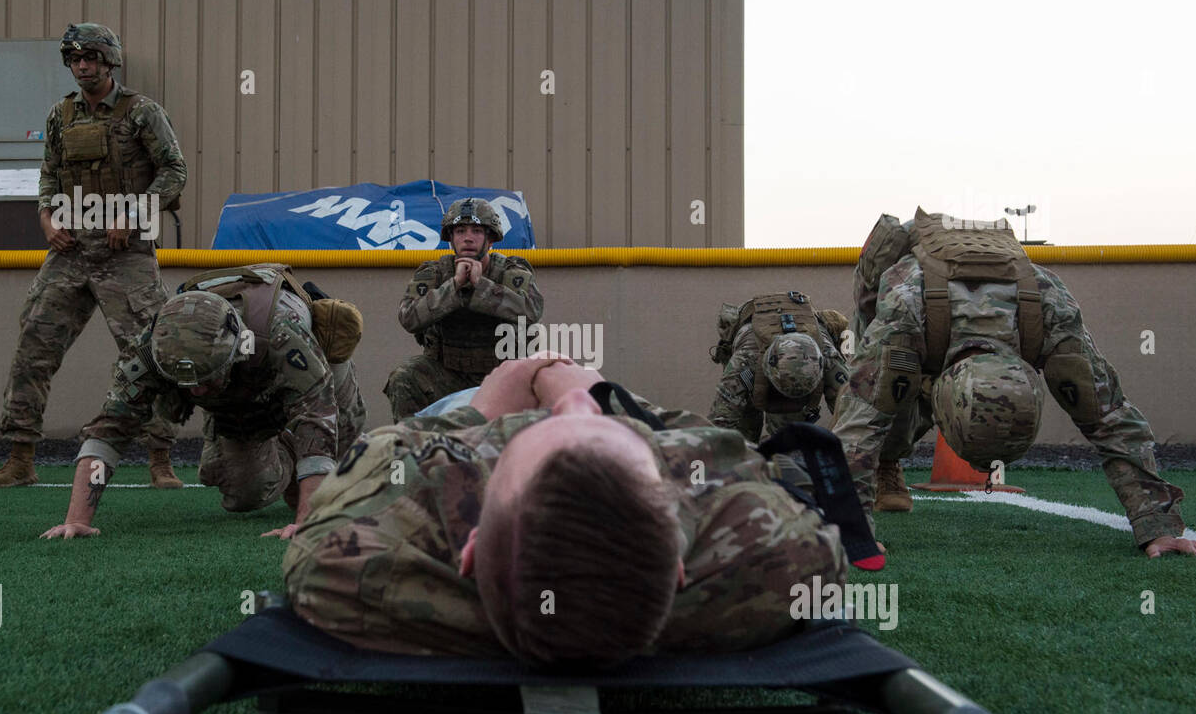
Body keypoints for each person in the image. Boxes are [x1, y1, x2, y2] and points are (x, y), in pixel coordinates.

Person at [284, 356, 848, 666]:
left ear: (472, 550)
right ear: (678, 564)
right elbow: (729, 453)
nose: (571, 406)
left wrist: (483, 413)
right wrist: (613, 404)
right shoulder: (787, 564)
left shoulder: (336, 568)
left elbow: (367, 470)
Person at [830, 208, 1194, 558]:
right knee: (891, 390)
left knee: (893, 384)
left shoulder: (1051, 308)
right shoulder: (905, 306)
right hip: (902, 262)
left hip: (994, 278)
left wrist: (1159, 525)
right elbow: (859, 422)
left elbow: (1110, 415)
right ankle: (889, 462)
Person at [0, 23, 187, 490]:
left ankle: (160, 459)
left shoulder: (142, 112)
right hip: (71, 250)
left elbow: (175, 170)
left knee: (152, 352)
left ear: (109, 60)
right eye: (74, 59)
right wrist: (47, 221)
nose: (82, 66)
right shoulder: (61, 114)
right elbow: (49, 173)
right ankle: (20, 458)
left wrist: (133, 215)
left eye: (90, 57)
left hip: (126, 253)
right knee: (34, 345)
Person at [39, 264, 367, 541]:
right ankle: (280, 453)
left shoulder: (282, 334)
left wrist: (308, 521)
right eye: (187, 385)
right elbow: (109, 430)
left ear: (237, 350)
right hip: (242, 395)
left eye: (207, 380)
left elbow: (317, 419)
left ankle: (312, 480)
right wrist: (77, 519)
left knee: (342, 430)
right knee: (243, 495)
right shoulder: (152, 350)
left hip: (310, 367)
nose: (196, 393)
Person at [383, 198, 543, 420]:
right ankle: (411, 448)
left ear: (491, 238)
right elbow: (408, 318)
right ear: (451, 238)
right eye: (460, 231)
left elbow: (531, 310)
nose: (467, 237)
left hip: (500, 374)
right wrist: (454, 286)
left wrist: (482, 286)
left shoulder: (509, 272)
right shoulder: (435, 273)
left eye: (477, 231)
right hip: (446, 373)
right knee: (404, 376)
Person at [708, 292, 851, 444]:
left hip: (803, 345)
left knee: (790, 437)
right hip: (752, 345)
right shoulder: (745, 361)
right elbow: (720, 422)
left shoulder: (828, 356)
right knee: (743, 431)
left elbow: (852, 413)